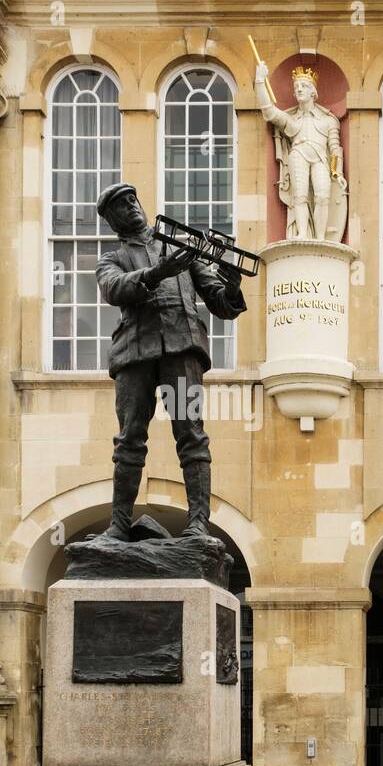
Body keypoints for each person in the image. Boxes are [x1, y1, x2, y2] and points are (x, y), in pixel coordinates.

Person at [95, 183, 246, 540]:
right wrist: (156, 274)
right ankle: (118, 525)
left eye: (133, 199)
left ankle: (197, 523)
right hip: (135, 354)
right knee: (130, 439)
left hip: (181, 350)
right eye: (120, 206)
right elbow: (114, 289)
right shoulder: (111, 259)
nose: (131, 207)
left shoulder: (181, 250)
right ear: (113, 222)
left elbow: (222, 303)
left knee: (191, 436)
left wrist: (233, 286)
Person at [255, 61, 347, 241]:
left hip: (320, 158)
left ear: (314, 92)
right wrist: (260, 81)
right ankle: (303, 233)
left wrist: (338, 172)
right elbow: (269, 112)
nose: (299, 89)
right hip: (298, 155)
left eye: (304, 86)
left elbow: (335, 148)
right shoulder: (292, 120)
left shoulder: (328, 120)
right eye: (296, 86)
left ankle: (320, 237)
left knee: (322, 196)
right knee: (300, 196)